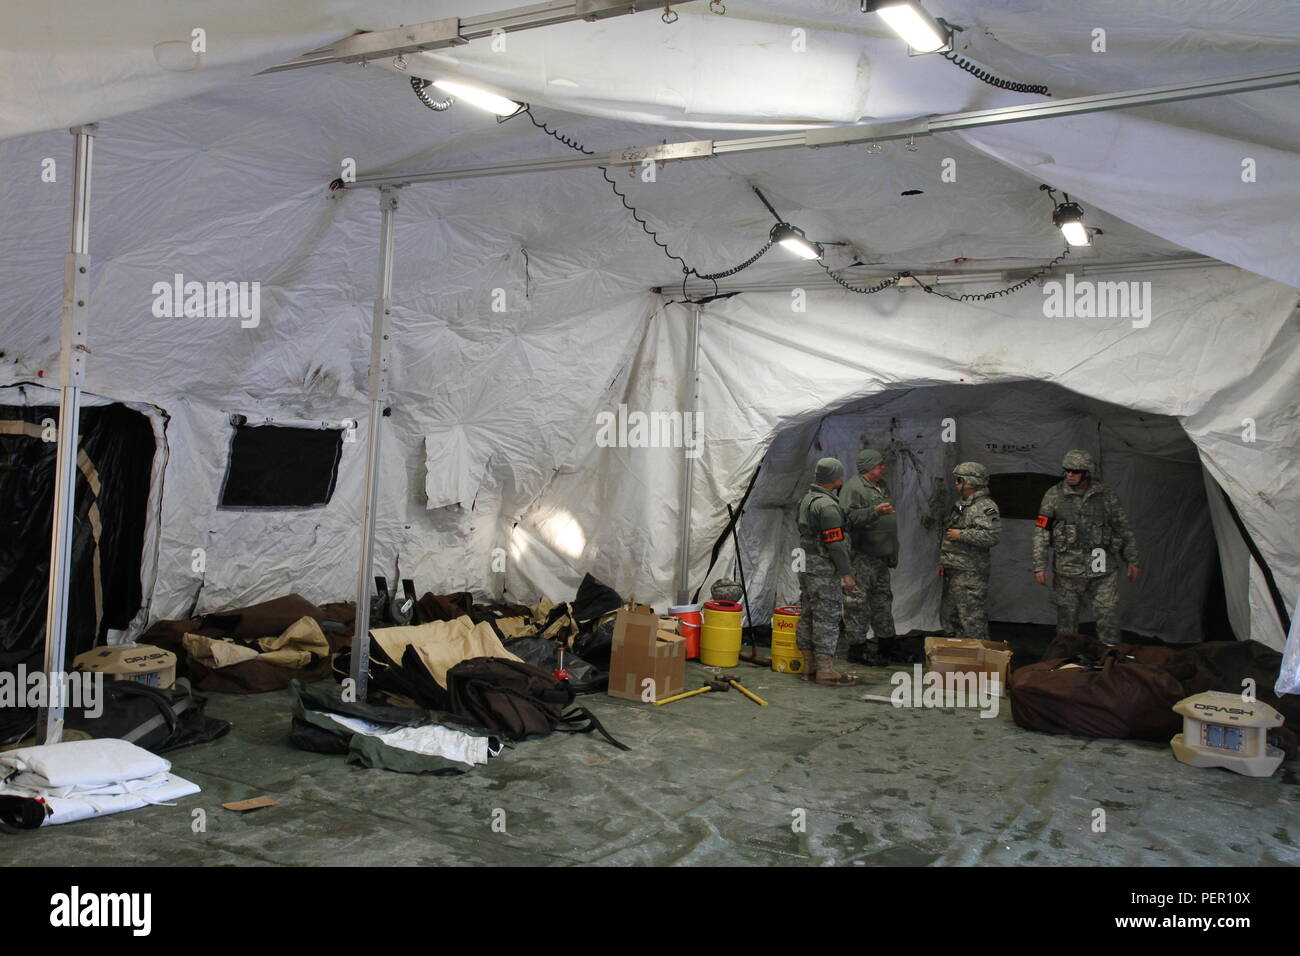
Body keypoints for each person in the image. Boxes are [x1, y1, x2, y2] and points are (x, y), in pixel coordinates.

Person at [1032, 449, 1140, 645]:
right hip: (1068, 569)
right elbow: (1042, 531)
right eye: (1067, 471)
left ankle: (1110, 657)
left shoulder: (1105, 495)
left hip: (1102, 568)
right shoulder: (1054, 495)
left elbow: (1122, 527)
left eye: (1075, 471)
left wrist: (1131, 559)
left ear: (1087, 473)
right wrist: (1040, 565)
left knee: (1108, 614)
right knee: (1067, 619)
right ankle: (1067, 659)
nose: (1070, 475)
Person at [795, 457, 858, 687]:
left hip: (806, 565)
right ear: (837, 478)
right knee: (827, 617)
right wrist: (846, 573)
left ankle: (808, 666)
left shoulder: (806, 500)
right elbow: (835, 544)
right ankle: (825, 670)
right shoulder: (828, 506)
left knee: (809, 613)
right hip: (823, 568)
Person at [840, 448, 898, 666]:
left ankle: (887, 645)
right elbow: (845, 519)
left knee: (883, 600)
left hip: (881, 555)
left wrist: (894, 548)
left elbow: (890, 521)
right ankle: (857, 647)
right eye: (879, 464)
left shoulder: (881, 486)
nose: (883, 467)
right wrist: (874, 511)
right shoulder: (853, 489)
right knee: (858, 602)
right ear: (868, 467)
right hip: (861, 555)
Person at [937, 462, 1001, 641]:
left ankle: (982, 661)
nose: (956, 483)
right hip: (955, 570)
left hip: (970, 572)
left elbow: (992, 536)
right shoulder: (962, 504)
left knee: (972, 620)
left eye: (959, 479)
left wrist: (962, 534)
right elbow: (949, 533)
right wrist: (944, 561)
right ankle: (962, 659)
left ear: (971, 483)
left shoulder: (986, 507)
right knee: (954, 618)